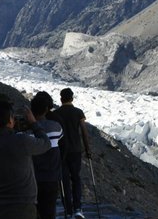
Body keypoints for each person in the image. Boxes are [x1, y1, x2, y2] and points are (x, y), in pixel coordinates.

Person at [0, 98, 51, 219]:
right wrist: (33, 123)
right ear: (10, 121)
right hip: (23, 207)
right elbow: (46, 144)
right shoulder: (21, 141)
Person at [54, 88, 92, 219]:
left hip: (61, 151)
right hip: (76, 150)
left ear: (61, 99)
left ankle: (68, 210)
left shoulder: (56, 113)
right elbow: (84, 132)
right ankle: (78, 208)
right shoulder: (78, 112)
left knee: (64, 180)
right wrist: (88, 150)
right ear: (72, 98)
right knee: (75, 178)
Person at [30, 92, 63, 219]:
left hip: (32, 177)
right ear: (46, 109)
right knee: (49, 211)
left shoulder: (26, 129)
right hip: (51, 176)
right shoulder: (56, 126)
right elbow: (60, 137)